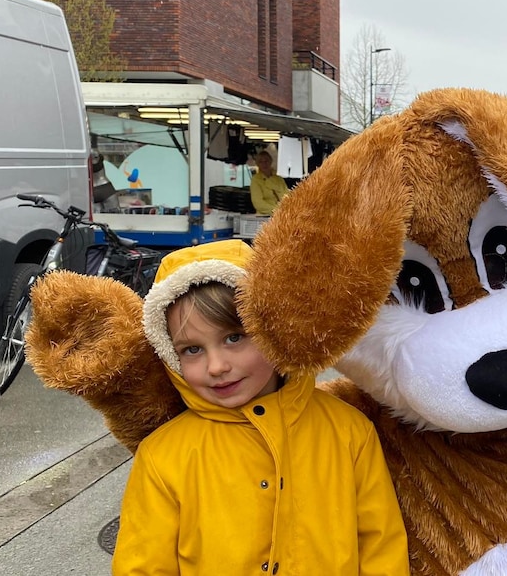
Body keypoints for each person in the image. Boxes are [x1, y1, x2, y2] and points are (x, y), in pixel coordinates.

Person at [113, 239, 410, 575]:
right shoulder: (162, 456)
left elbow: (381, 546)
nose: (216, 366)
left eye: (234, 338)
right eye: (192, 350)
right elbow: (142, 566)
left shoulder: (349, 432)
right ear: (170, 356)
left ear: (275, 329)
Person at [250, 144, 289, 215]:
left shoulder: (279, 179)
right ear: (258, 164)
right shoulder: (256, 180)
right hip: (265, 216)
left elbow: (287, 195)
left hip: (283, 214)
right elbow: (258, 203)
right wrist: (276, 210)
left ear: (270, 162)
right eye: (261, 162)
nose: (264, 164)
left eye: (266, 161)